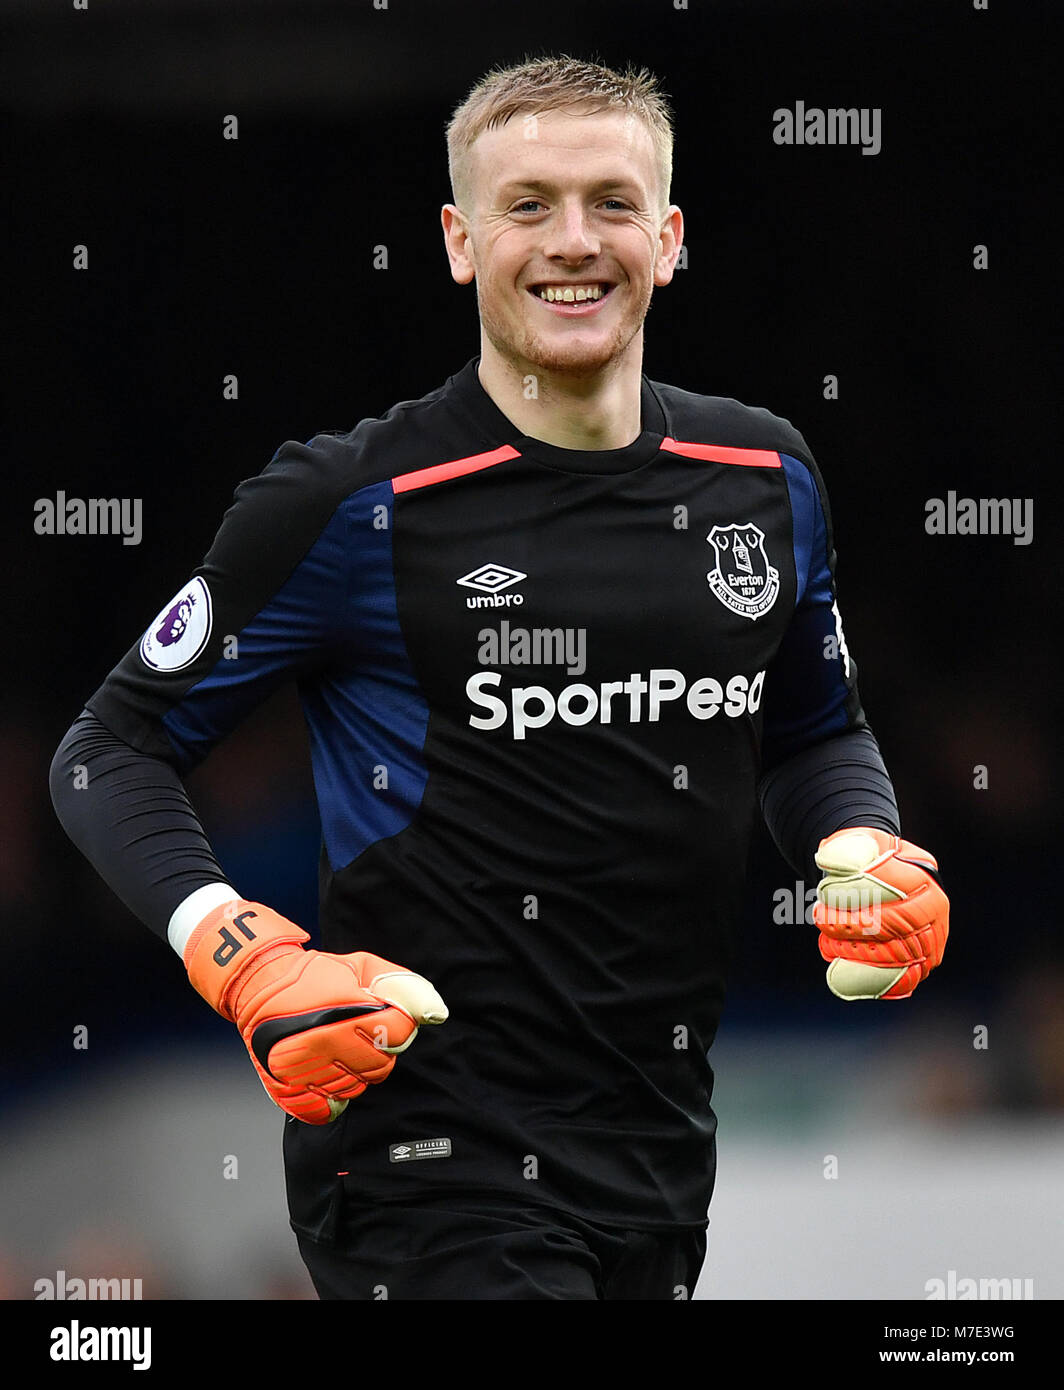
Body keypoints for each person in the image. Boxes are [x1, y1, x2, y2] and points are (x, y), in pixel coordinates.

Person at [49, 54, 948, 1301]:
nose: (572, 240)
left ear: (668, 238)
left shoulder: (763, 476)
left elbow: (810, 730)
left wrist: (863, 840)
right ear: (459, 241)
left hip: (657, 1151)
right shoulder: (346, 502)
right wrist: (237, 951)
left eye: (610, 202)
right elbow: (107, 749)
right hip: (426, 1160)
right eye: (527, 205)